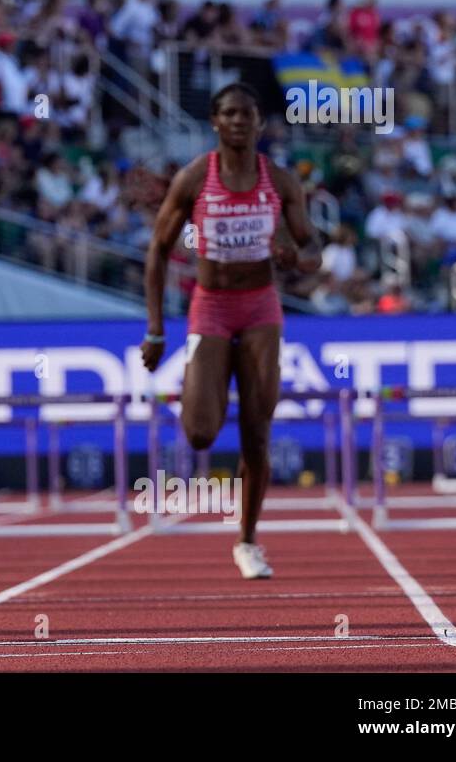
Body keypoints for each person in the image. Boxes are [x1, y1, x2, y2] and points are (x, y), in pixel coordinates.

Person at [141, 83, 319, 579]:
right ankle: (205, 380)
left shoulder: (280, 181)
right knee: (199, 433)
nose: (240, 122)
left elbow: (312, 247)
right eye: (230, 114)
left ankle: (247, 540)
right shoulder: (195, 178)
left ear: (260, 124)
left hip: (260, 305)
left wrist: (297, 258)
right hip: (212, 306)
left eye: (248, 114)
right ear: (216, 122)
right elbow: (157, 250)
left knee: (256, 434)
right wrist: (156, 331)